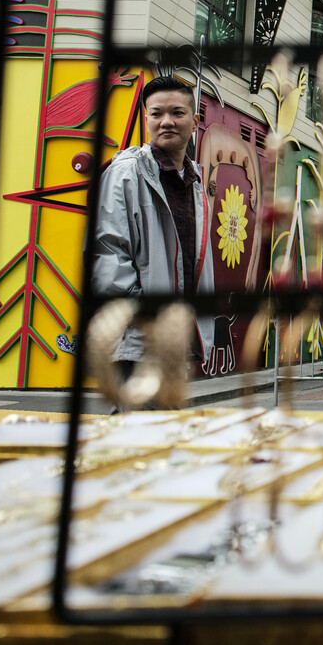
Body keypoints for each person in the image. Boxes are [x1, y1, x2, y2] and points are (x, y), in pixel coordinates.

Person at [91, 76, 216, 404]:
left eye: (177, 112)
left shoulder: (195, 181)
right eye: (156, 113)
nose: (166, 122)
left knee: (161, 440)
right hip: (139, 341)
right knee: (138, 440)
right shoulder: (126, 173)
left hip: (176, 341)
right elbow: (107, 252)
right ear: (145, 119)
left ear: (195, 121)